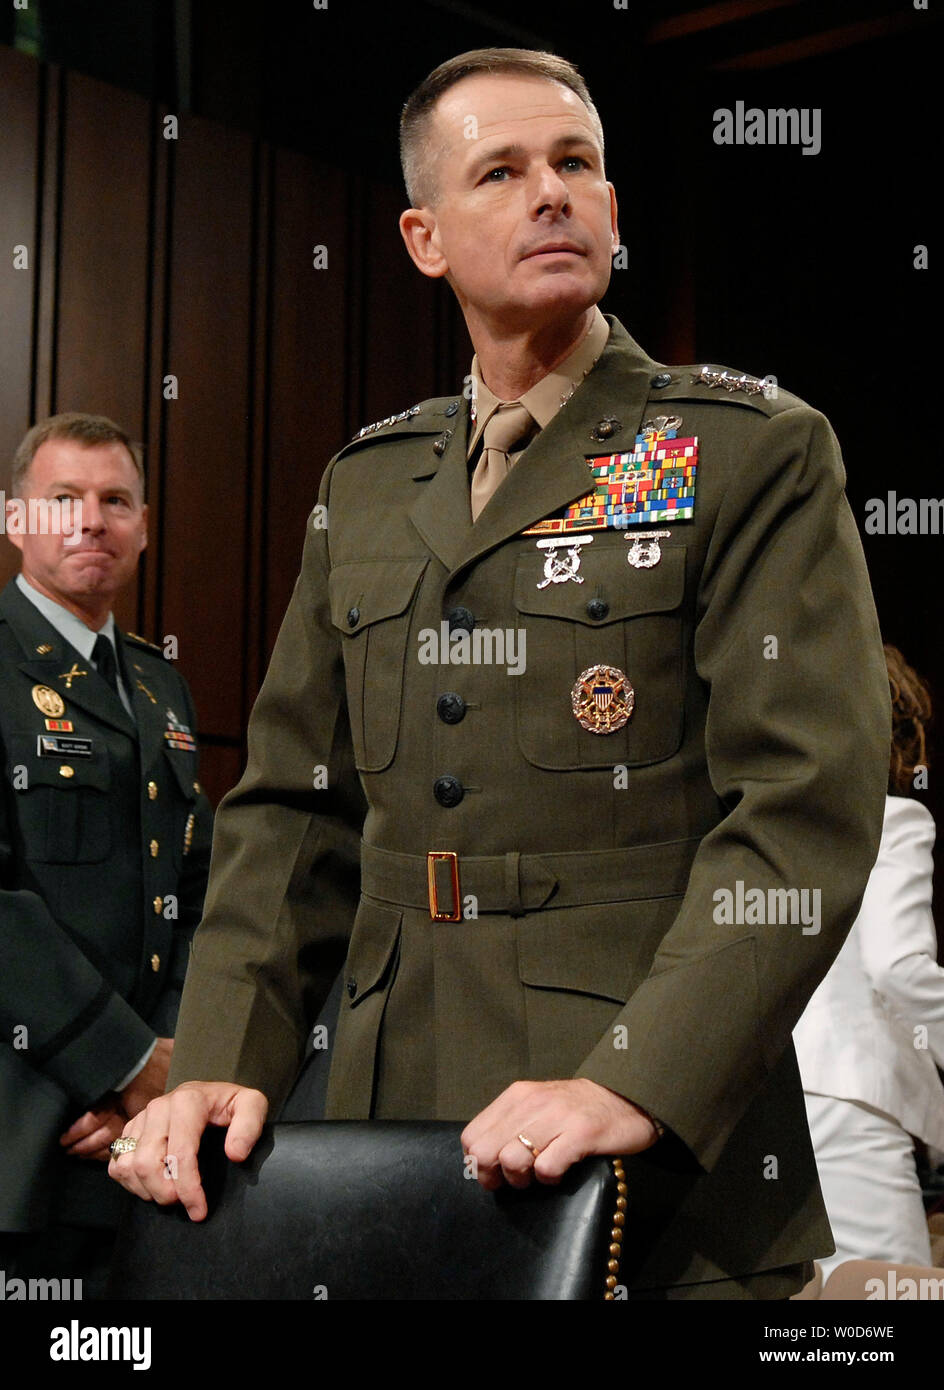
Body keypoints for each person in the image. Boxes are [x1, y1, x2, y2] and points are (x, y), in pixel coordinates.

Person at [109, 49, 891, 1300]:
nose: (551, 194)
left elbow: (802, 813)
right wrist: (218, 1057)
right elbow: (291, 809)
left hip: (647, 1152)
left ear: (615, 210)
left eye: (576, 164)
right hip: (382, 1132)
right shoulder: (364, 484)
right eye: (503, 170)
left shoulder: (745, 450)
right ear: (423, 236)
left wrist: (636, 1074)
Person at [0, 413, 212, 1297]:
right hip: (24, 1127)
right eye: (62, 500)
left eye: (115, 500)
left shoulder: (161, 684)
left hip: (146, 1137)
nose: (91, 520)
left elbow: (191, 889)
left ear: (144, 528)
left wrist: (169, 1061)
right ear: (16, 521)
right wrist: (121, 1063)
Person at [794, 645, 944, 1280]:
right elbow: (899, 966)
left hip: (762, 1108)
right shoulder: (893, 821)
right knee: (886, 1305)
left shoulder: (760, 842)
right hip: (850, 1105)